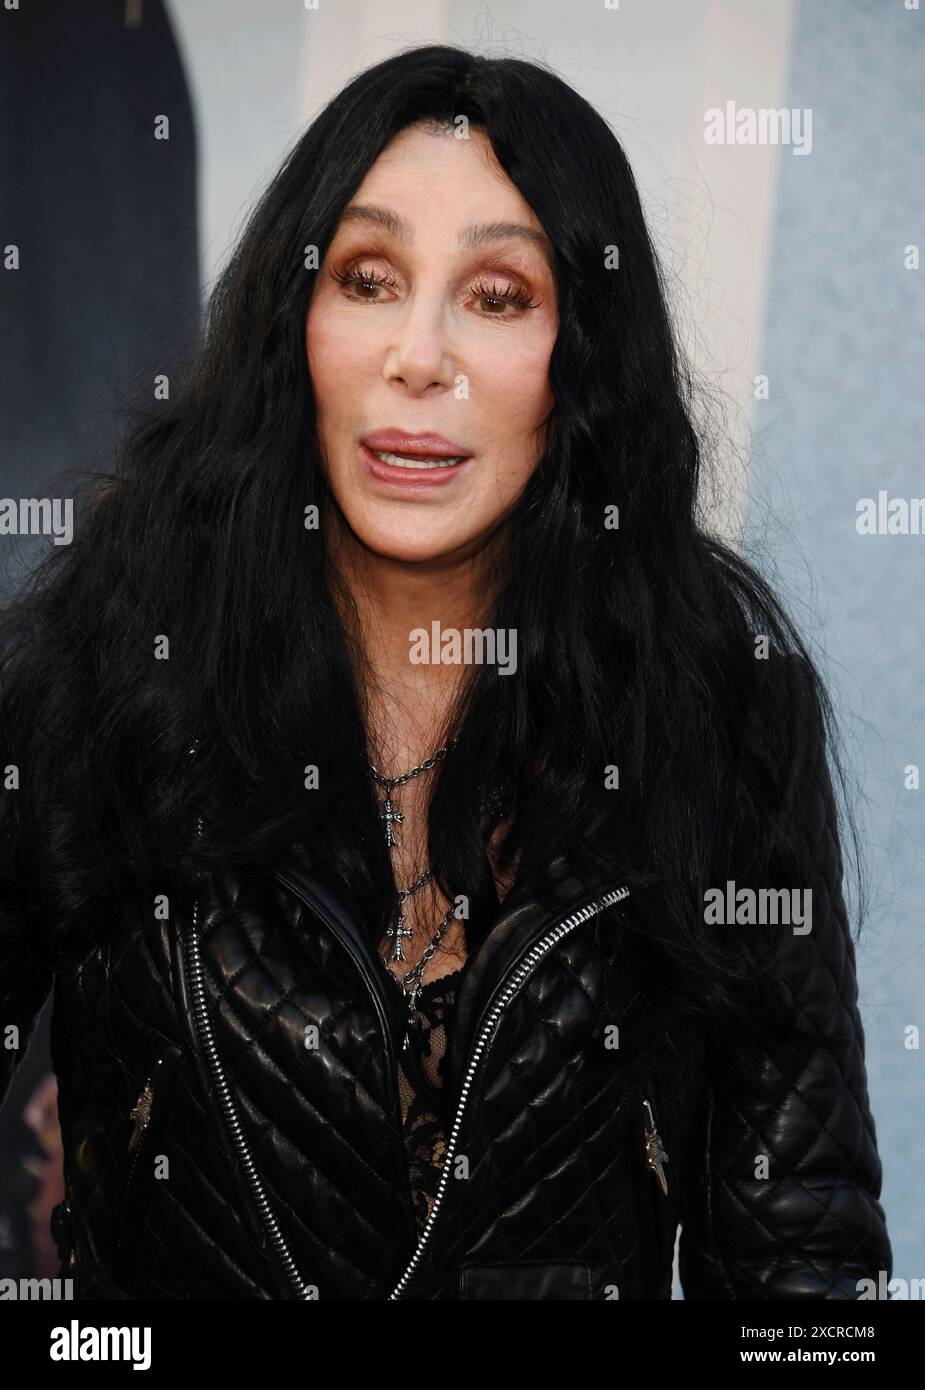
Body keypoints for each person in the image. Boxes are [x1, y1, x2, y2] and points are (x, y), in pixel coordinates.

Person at [0, 44, 891, 1300]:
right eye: (368, 278)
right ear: (294, 324)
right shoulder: (107, 670)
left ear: (579, 359)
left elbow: (801, 1251)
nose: (420, 354)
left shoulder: (720, 710)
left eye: (497, 295)